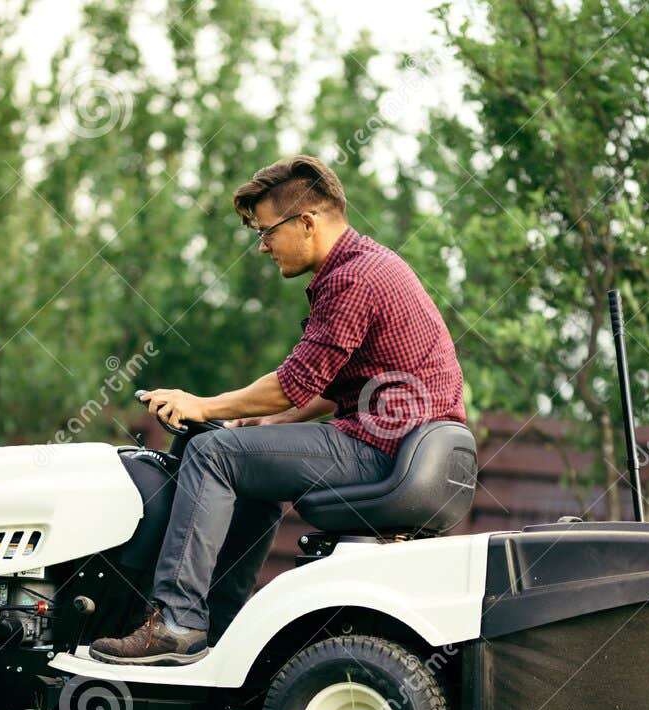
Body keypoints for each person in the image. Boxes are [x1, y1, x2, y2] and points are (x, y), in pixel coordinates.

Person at [89, 155, 466, 665]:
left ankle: (176, 622)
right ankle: (218, 627)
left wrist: (201, 404)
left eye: (267, 232)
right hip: (403, 449)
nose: (263, 246)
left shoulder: (352, 278)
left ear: (307, 222)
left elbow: (293, 383)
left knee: (211, 453)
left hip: (385, 451)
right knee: (242, 460)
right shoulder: (371, 265)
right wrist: (268, 422)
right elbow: (333, 384)